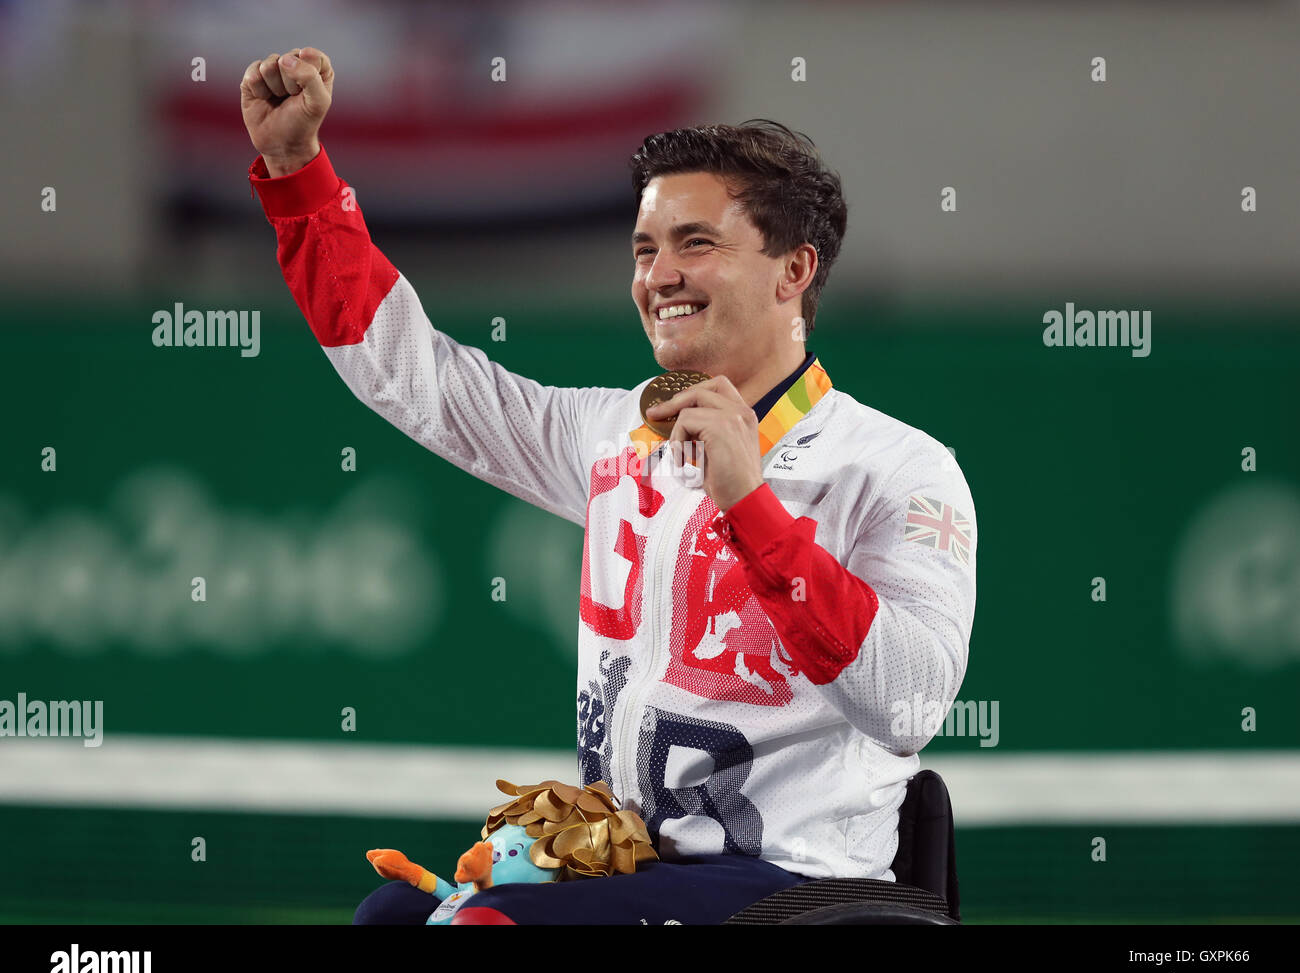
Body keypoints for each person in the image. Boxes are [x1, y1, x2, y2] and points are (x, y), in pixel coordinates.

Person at [240, 47, 977, 925]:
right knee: (389, 919)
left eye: (695, 243)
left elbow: (910, 703)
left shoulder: (898, 467)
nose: (658, 275)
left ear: (795, 272)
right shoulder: (615, 435)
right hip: (638, 873)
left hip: (805, 886)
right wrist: (298, 175)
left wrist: (751, 507)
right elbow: (410, 376)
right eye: (644, 247)